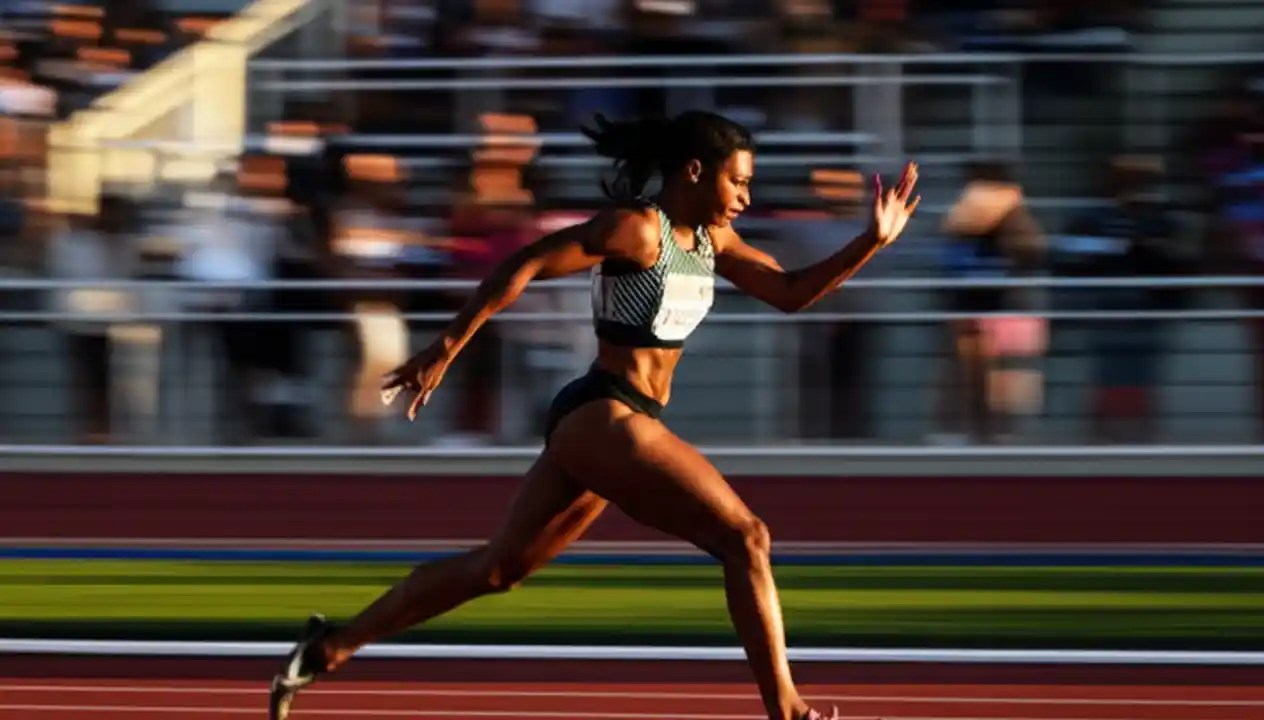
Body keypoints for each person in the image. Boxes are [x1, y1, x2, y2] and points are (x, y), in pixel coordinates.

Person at [268, 110, 920, 720]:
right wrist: (447, 344)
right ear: (694, 170)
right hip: (605, 411)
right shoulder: (636, 229)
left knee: (499, 569)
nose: (746, 197)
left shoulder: (714, 238)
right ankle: (787, 709)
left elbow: (790, 292)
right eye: (738, 181)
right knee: (746, 537)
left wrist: (872, 240)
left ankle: (332, 645)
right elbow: (525, 261)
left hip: (615, 422)